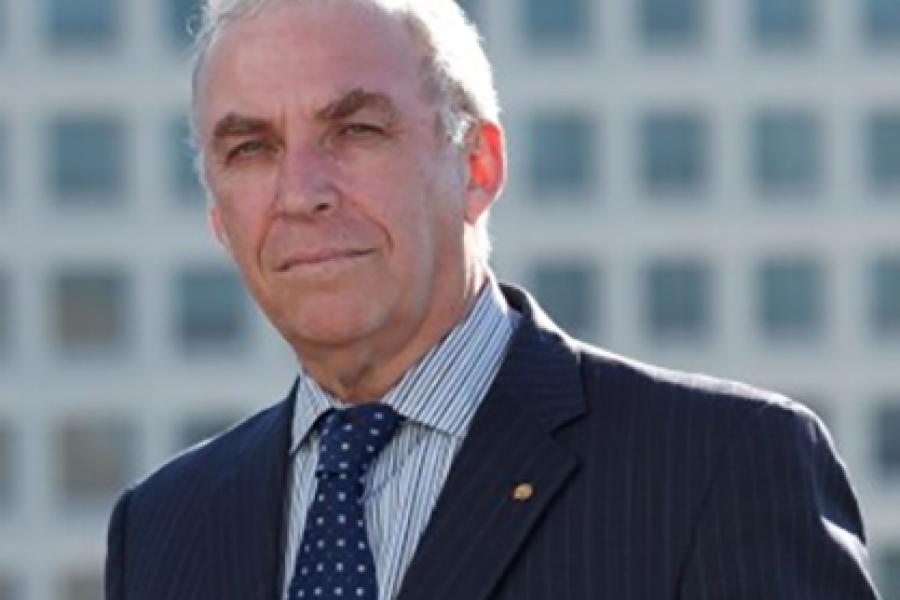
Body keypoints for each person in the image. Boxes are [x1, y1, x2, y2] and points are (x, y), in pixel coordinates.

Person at [104, 0, 881, 598]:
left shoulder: (721, 467)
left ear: (477, 165)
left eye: (357, 131)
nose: (301, 192)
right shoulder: (163, 526)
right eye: (251, 149)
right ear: (218, 216)